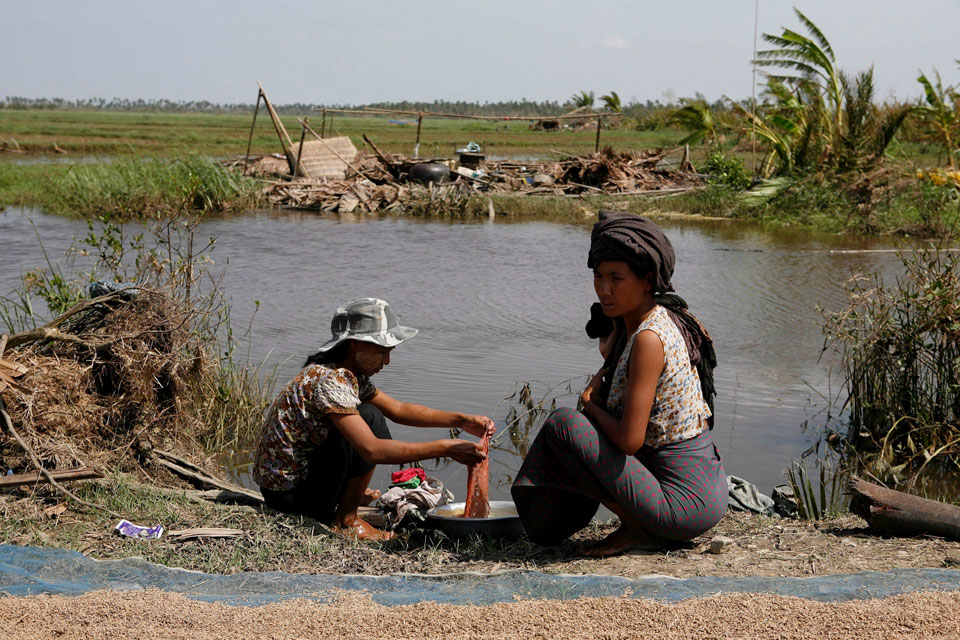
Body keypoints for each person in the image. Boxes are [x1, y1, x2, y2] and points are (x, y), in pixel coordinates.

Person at [511, 210, 726, 557]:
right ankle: (638, 525)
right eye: (598, 277)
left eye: (616, 278)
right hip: (705, 491)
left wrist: (590, 403)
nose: (604, 290)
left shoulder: (648, 339)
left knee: (564, 424)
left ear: (647, 280)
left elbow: (629, 440)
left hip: (683, 504)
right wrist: (609, 357)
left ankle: (640, 529)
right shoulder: (657, 319)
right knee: (576, 425)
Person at [253, 297, 495, 541]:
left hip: (288, 489)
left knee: (369, 414)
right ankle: (346, 521)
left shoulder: (342, 372)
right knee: (371, 418)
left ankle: (346, 501)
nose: (386, 361)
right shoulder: (331, 380)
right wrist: (446, 448)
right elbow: (372, 450)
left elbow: (399, 409)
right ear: (355, 344)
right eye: (381, 352)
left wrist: (462, 420)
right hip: (290, 497)